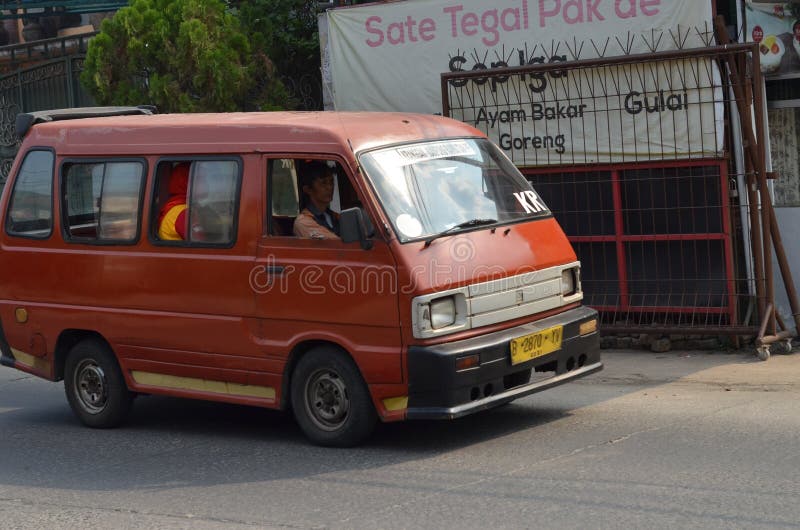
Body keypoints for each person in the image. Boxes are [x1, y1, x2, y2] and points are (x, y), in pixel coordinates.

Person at [293, 161, 340, 239]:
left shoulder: (334, 216)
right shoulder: (303, 222)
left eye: (331, 182)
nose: (330, 187)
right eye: (323, 183)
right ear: (308, 189)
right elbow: (335, 243)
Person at [158, 162, 190, 240]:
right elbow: (205, 243)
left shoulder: (178, 205)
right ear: (186, 182)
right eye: (200, 178)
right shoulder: (183, 213)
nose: (206, 183)